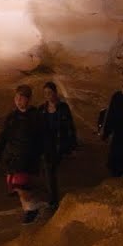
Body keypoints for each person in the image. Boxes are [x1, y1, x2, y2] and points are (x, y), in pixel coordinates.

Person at [0, 84, 48, 223]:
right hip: (14, 157)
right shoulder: (12, 117)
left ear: (28, 99)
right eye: (17, 97)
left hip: (28, 158)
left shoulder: (36, 117)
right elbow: (2, 138)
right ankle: (30, 208)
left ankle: (33, 209)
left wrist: (44, 155)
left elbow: (43, 138)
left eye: (22, 98)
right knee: (13, 184)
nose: (18, 100)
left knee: (20, 184)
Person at [39, 81, 78, 210]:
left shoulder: (63, 108)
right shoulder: (42, 110)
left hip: (58, 144)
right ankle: (52, 198)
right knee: (48, 170)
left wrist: (72, 145)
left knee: (50, 169)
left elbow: (70, 127)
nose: (47, 96)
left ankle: (53, 199)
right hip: (46, 144)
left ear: (55, 93)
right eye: (45, 93)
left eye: (49, 93)